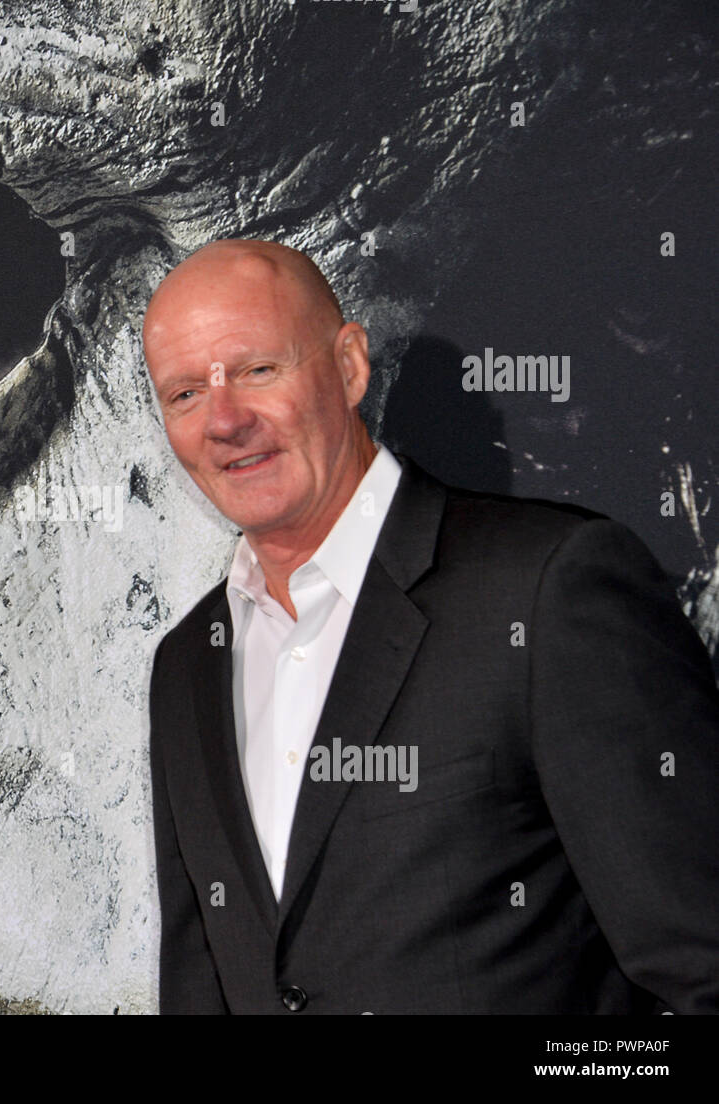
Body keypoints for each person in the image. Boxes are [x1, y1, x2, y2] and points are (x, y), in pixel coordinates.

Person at [142, 239, 719, 1014]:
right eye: (184, 394)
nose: (224, 420)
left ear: (349, 366)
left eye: (257, 371)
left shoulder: (547, 590)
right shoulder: (186, 666)